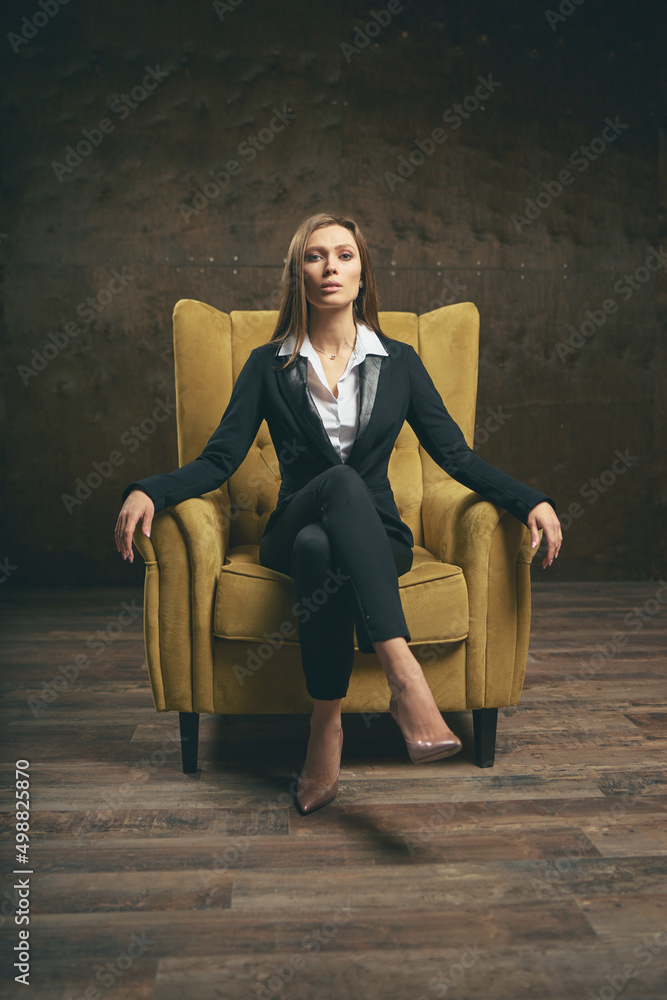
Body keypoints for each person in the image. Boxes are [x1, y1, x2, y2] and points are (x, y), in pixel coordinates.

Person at [115, 212, 562, 816]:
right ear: (298, 273)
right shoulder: (267, 365)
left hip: (377, 538)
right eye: (315, 256)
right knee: (333, 493)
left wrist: (528, 498)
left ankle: (325, 730)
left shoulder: (399, 362)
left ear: (362, 272)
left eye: (344, 255)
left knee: (321, 551)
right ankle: (405, 678)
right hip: (288, 524)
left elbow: (454, 454)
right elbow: (219, 460)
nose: (330, 267)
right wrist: (150, 490)